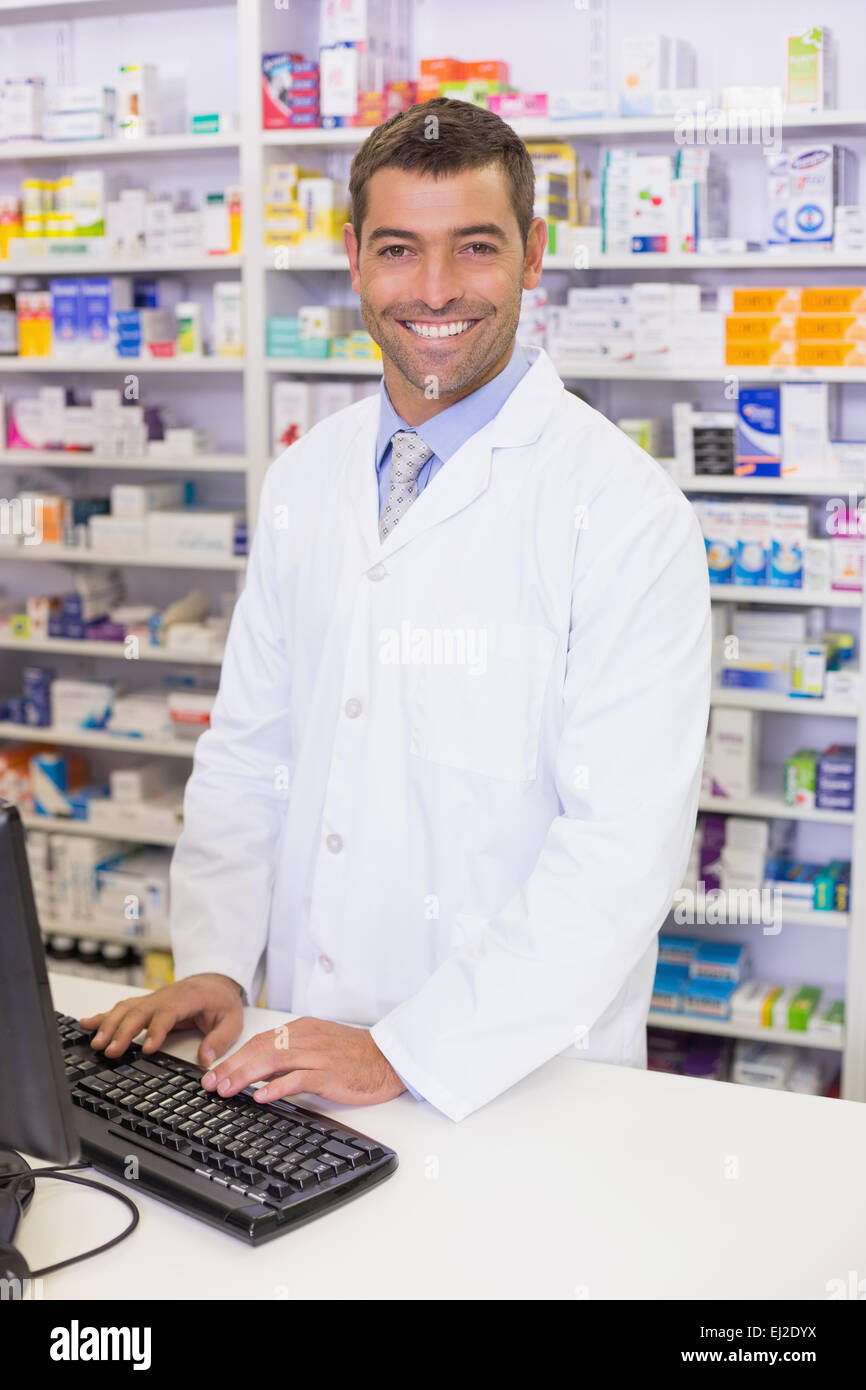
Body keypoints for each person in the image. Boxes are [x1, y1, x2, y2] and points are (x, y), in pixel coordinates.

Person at [83, 99, 711, 1123]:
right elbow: (249, 755)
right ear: (351, 260)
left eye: (473, 247)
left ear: (532, 255)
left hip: (518, 1085)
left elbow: (617, 853)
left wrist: (406, 1051)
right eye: (397, 249)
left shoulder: (627, 516)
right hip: (285, 1059)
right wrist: (213, 963)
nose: (432, 290)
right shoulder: (303, 481)